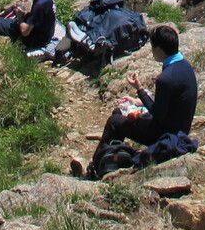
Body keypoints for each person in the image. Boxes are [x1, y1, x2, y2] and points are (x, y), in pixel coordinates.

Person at [77, 24, 197, 179]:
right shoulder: (184, 66)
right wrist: (140, 104)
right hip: (179, 127)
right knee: (120, 112)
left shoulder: (165, 78)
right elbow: (170, 102)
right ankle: (110, 158)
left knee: (114, 121)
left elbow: (158, 114)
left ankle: (94, 168)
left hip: (164, 134)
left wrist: (140, 90)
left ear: (159, 50)